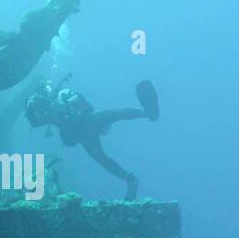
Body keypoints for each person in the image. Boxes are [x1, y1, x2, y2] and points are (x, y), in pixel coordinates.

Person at [25, 79, 159, 200]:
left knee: (114, 117)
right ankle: (130, 179)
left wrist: (63, 106)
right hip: (84, 132)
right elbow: (35, 122)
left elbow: (85, 106)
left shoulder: (63, 95)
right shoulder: (44, 109)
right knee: (102, 156)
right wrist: (37, 110)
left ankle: (146, 113)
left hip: (87, 125)